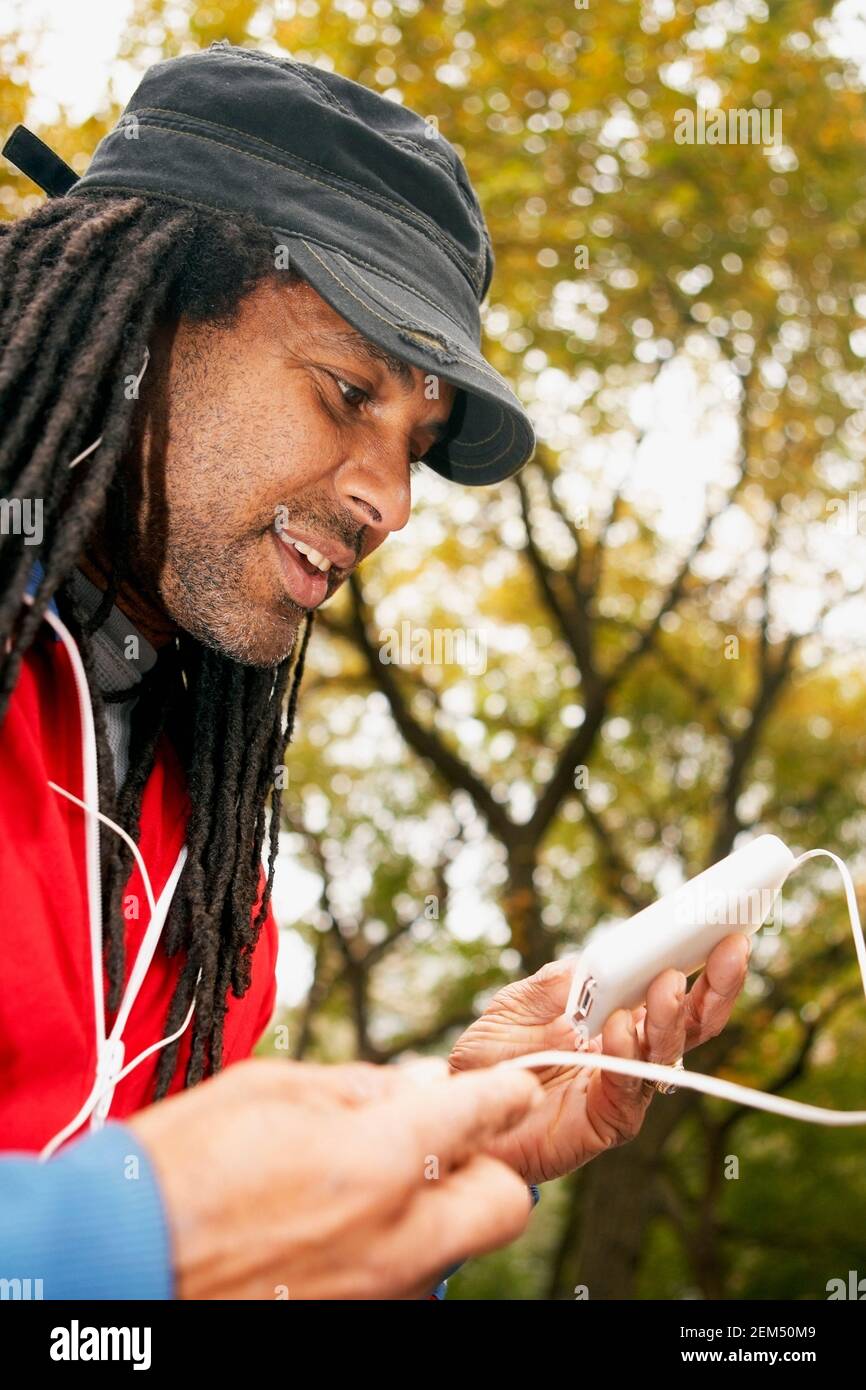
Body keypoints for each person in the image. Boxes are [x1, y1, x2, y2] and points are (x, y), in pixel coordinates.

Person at [0, 43, 749, 1299]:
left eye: (416, 446)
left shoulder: (211, 864)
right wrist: (115, 1245)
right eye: (347, 391)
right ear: (144, 317)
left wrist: (426, 1176)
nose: (388, 501)